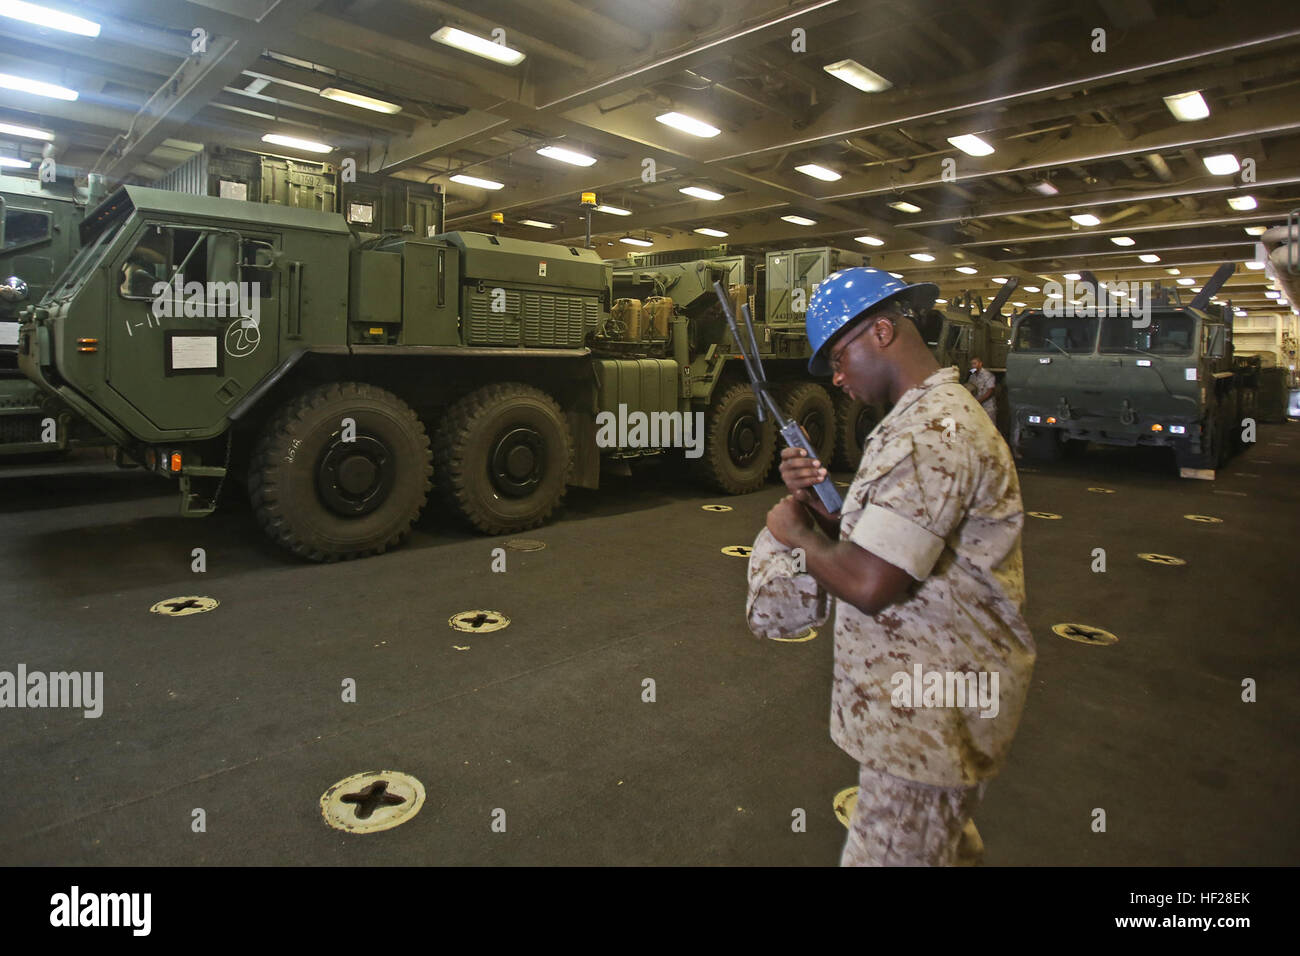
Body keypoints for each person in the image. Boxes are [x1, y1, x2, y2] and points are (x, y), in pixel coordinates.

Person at [764, 267, 1035, 866]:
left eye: (839, 357)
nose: (837, 377)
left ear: (882, 332)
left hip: (926, 725)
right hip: (929, 715)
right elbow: (893, 546)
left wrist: (796, 535)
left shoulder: (930, 432)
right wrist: (827, 515)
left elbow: (870, 583)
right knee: (942, 851)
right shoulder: (925, 419)